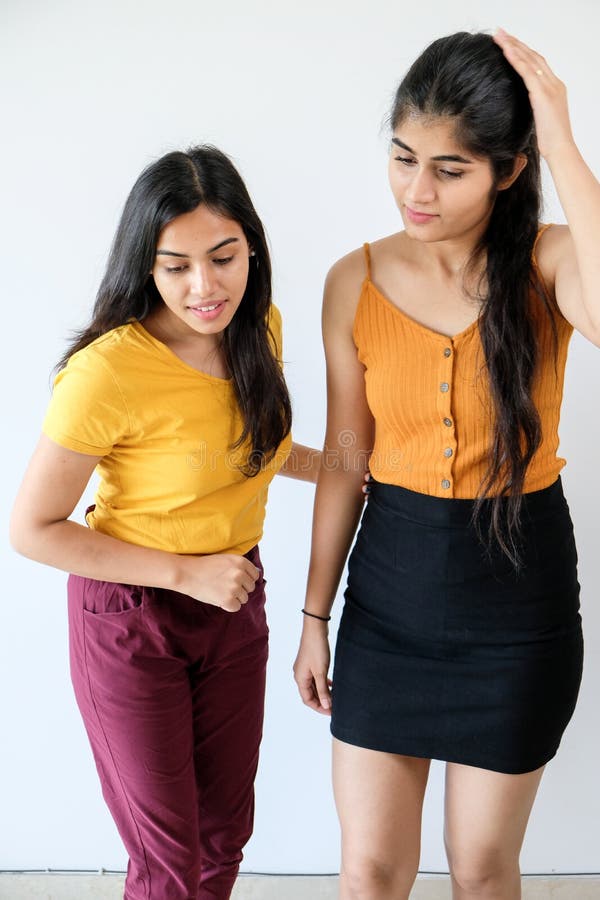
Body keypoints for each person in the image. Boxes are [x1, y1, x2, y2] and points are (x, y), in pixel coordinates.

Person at [293, 28, 599, 900]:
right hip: (388, 598)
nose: (415, 190)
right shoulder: (353, 278)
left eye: (449, 169)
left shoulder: (546, 265)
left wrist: (565, 140)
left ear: (509, 168)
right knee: (371, 872)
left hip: (519, 604)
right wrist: (316, 613)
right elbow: (349, 458)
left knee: (483, 871)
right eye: (402, 157)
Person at [10, 144, 319, 900]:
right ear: (144, 266)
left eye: (223, 256)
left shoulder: (259, 327)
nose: (204, 286)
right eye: (175, 264)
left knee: (223, 838)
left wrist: (358, 472)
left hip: (234, 603)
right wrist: (187, 574)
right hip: (132, 617)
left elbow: (246, 447)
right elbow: (32, 528)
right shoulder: (108, 371)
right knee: (167, 859)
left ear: (253, 247)